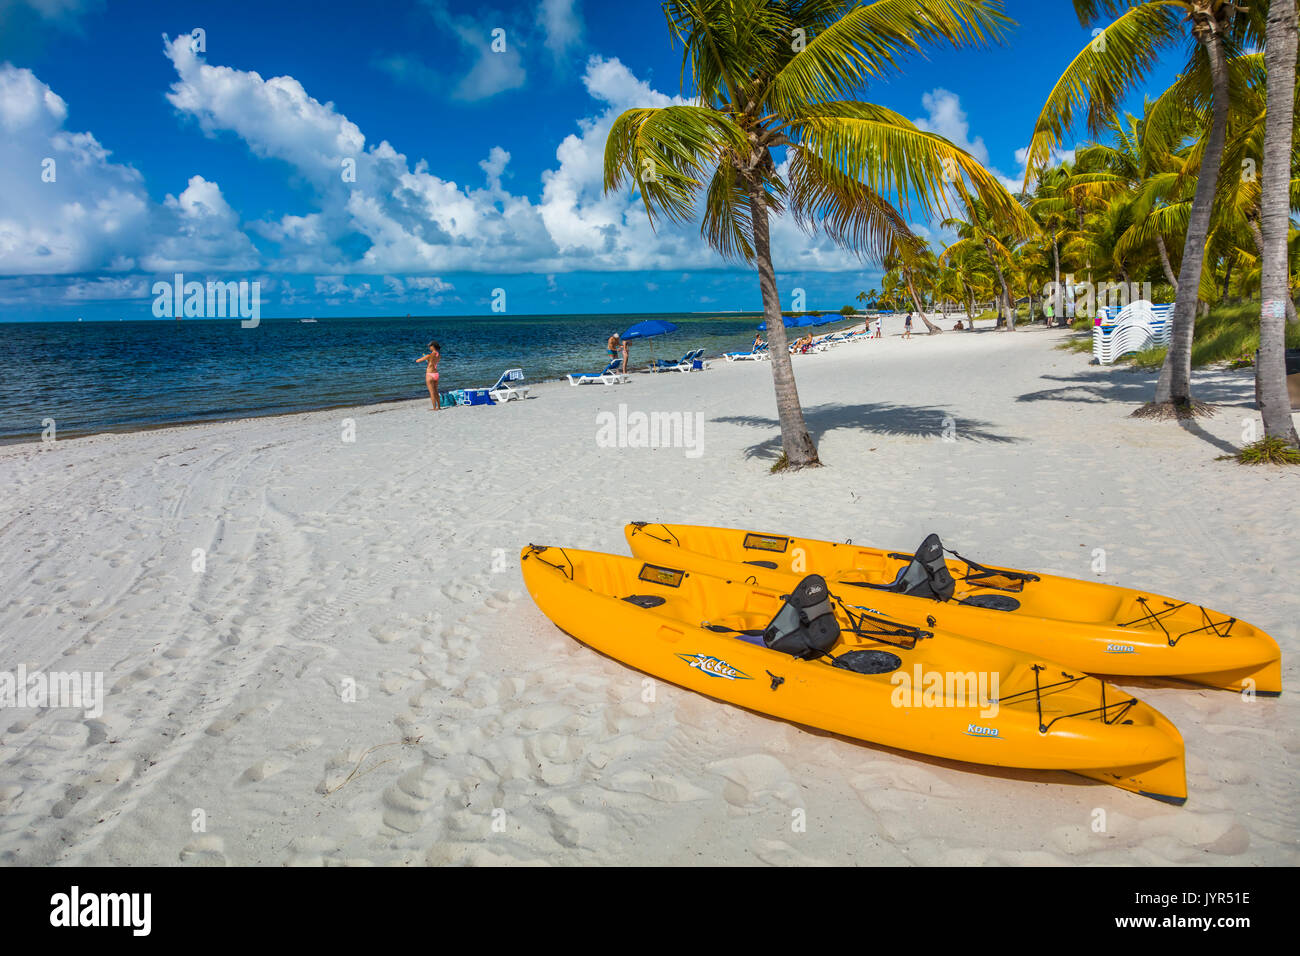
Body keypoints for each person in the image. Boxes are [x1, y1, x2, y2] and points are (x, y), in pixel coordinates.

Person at [416, 340, 442, 410]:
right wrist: (428, 360)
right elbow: (433, 363)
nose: (429, 348)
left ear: (433, 346)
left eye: (430, 346)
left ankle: (434, 408)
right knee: (436, 391)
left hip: (430, 374)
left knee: (432, 393)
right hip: (436, 374)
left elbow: (417, 361)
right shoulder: (439, 355)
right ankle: (439, 407)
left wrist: (425, 358)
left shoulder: (428, 355)